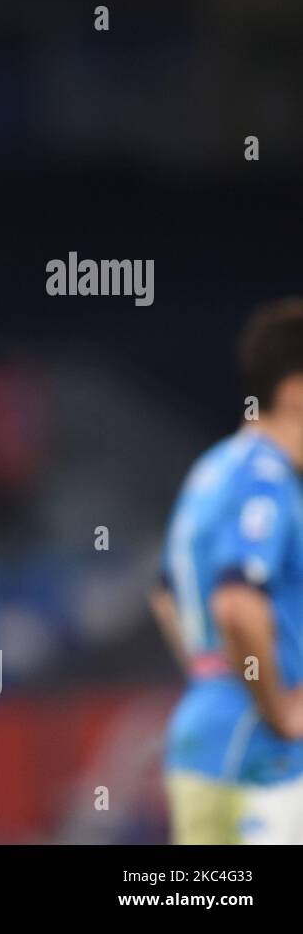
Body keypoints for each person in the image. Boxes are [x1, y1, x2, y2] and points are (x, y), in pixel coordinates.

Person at [154, 297, 303, 843]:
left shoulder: (213, 470)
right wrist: (277, 708)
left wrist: (214, 675)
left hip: (208, 736)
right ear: (294, 391)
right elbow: (236, 605)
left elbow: (166, 594)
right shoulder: (267, 479)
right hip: (258, 756)